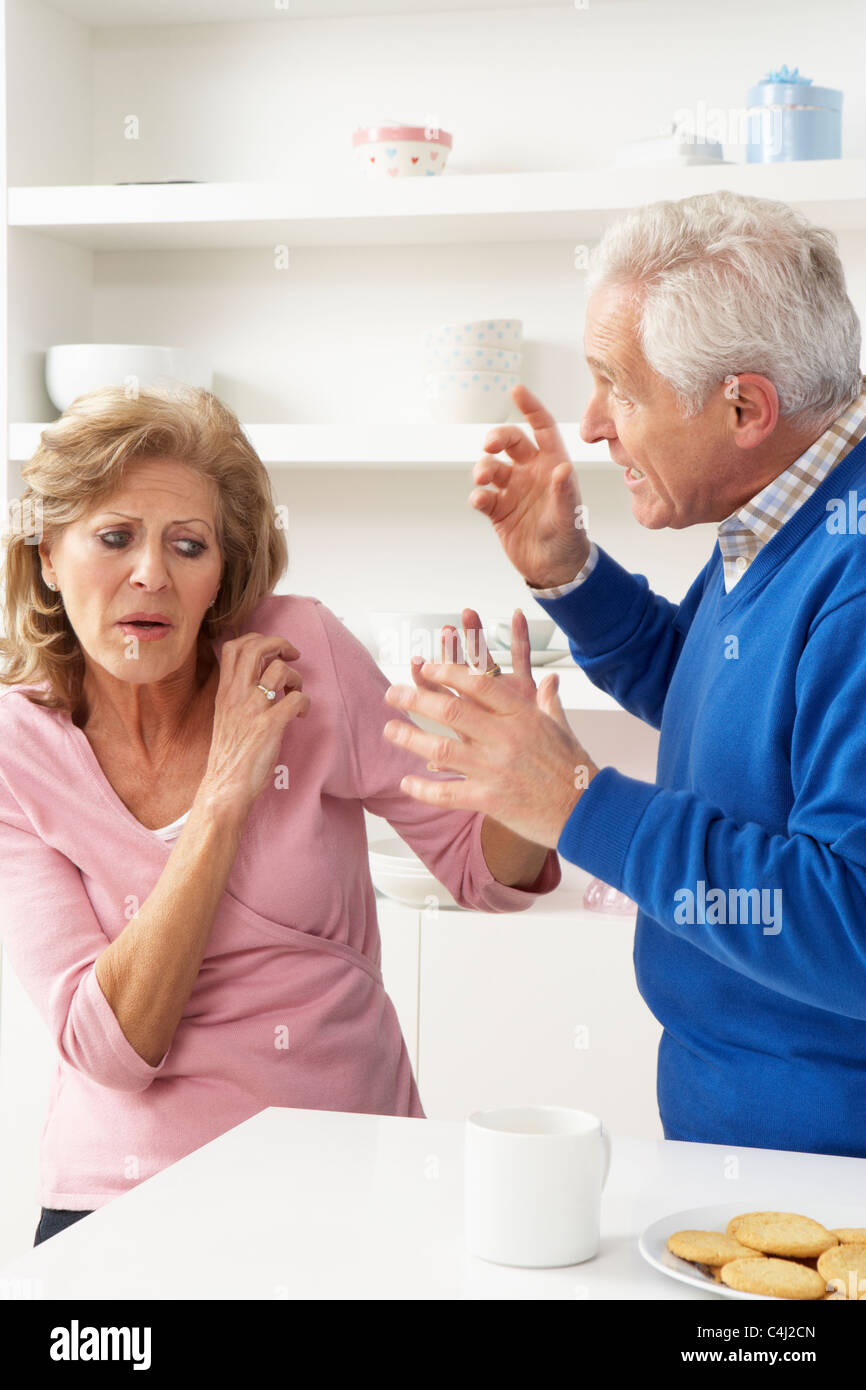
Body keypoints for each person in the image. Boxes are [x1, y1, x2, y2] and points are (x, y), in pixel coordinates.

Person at [0, 384, 561, 1244]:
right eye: (115, 537)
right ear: (45, 553)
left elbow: (477, 870)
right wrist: (226, 792)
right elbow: (112, 1048)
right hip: (121, 1206)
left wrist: (527, 784)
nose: (152, 572)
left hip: (355, 1179)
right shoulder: (17, 747)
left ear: (223, 571)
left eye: (189, 545)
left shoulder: (300, 656)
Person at [385, 189, 866, 1159]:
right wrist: (565, 570)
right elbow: (712, 693)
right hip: (747, 1140)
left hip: (825, 1189)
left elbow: (848, 919)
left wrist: (574, 801)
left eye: (618, 385)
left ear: (743, 406)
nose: (593, 423)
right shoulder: (790, 516)